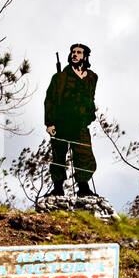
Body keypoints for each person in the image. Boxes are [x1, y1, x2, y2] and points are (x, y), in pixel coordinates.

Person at [44, 43, 98, 197]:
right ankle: (58, 188)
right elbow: (49, 100)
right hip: (61, 123)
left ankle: (84, 188)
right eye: (73, 52)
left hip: (80, 124)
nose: (75, 54)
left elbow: (90, 98)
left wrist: (90, 114)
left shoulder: (92, 77)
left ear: (85, 56)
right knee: (58, 157)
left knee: (84, 156)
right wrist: (49, 123)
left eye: (79, 52)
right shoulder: (60, 77)